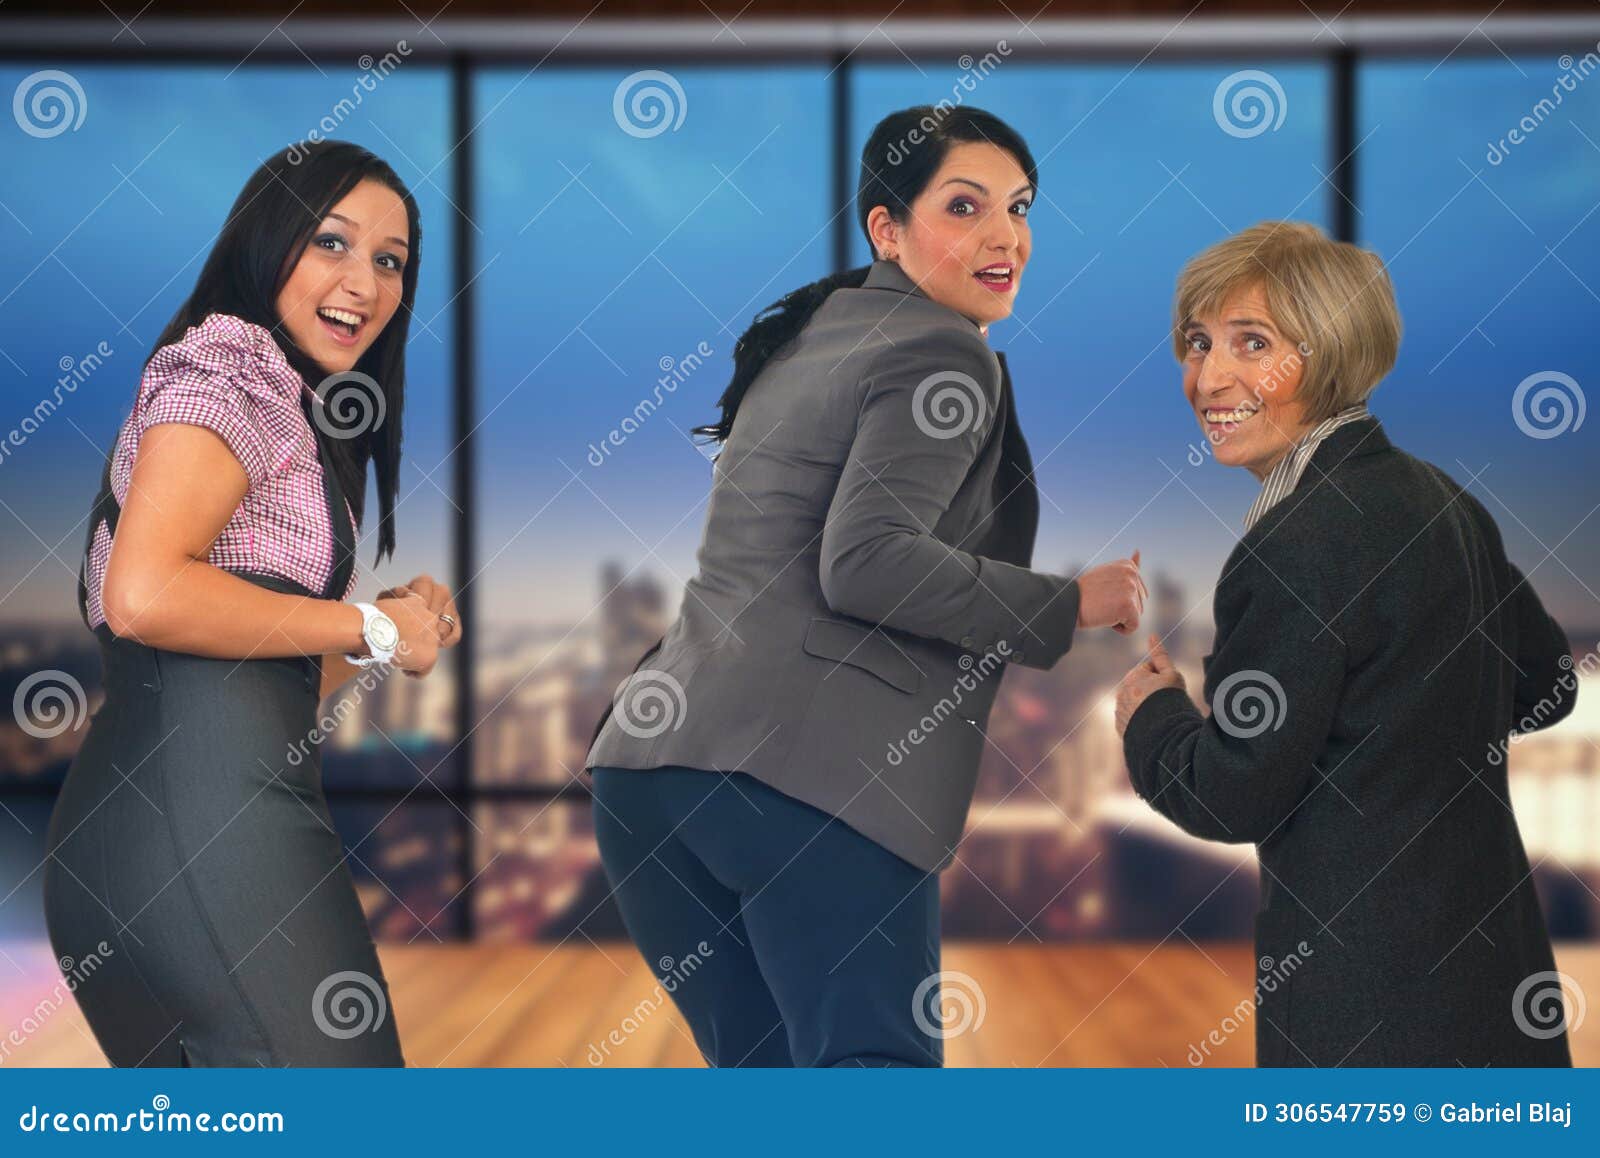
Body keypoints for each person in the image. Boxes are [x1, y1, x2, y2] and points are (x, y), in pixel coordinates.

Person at [586, 106, 1146, 1067]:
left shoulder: (813, 333)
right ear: (886, 229)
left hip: (647, 776)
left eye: (1019, 208)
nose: (1004, 236)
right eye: (963, 207)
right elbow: (869, 561)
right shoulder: (943, 350)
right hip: (806, 783)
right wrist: (1069, 604)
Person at [1116, 220, 1575, 1067]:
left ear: (1325, 353)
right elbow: (1548, 689)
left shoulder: (1295, 542)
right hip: (1497, 983)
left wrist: (1153, 714)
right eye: (1197, 343)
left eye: (1251, 343)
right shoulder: (1444, 502)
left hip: (1366, 1008)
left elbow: (1230, 795)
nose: (1208, 377)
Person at [45, 141, 461, 1067]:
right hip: (211, 842)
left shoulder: (289, 403)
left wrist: (378, 636)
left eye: (390, 261)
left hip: (152, 837)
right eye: (331, 243)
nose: (365, 281)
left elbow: (262, 681)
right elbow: (146, 594)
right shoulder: (229, 369)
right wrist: (375, 625)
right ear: (265, 241)